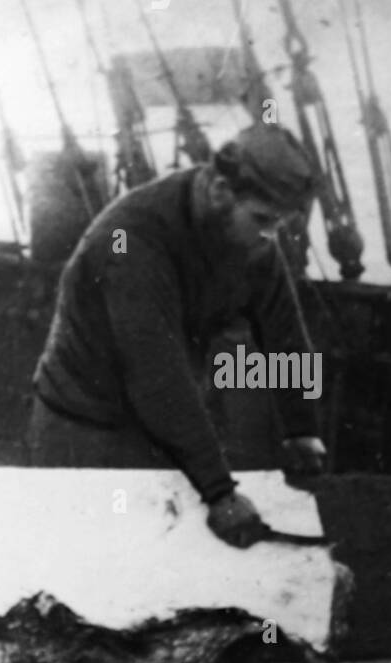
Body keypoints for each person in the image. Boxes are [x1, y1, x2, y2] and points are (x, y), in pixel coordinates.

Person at [27, 122, 329, 548]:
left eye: (279, 224)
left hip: (159, 431)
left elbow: (283, 330)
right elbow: (157, 375)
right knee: (95, 569)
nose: (270, 236)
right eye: (263, 220)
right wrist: (220, 493)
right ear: (221, 191)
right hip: (84, 430)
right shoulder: (131, 240)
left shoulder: (251, 235)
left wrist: (302, 429)